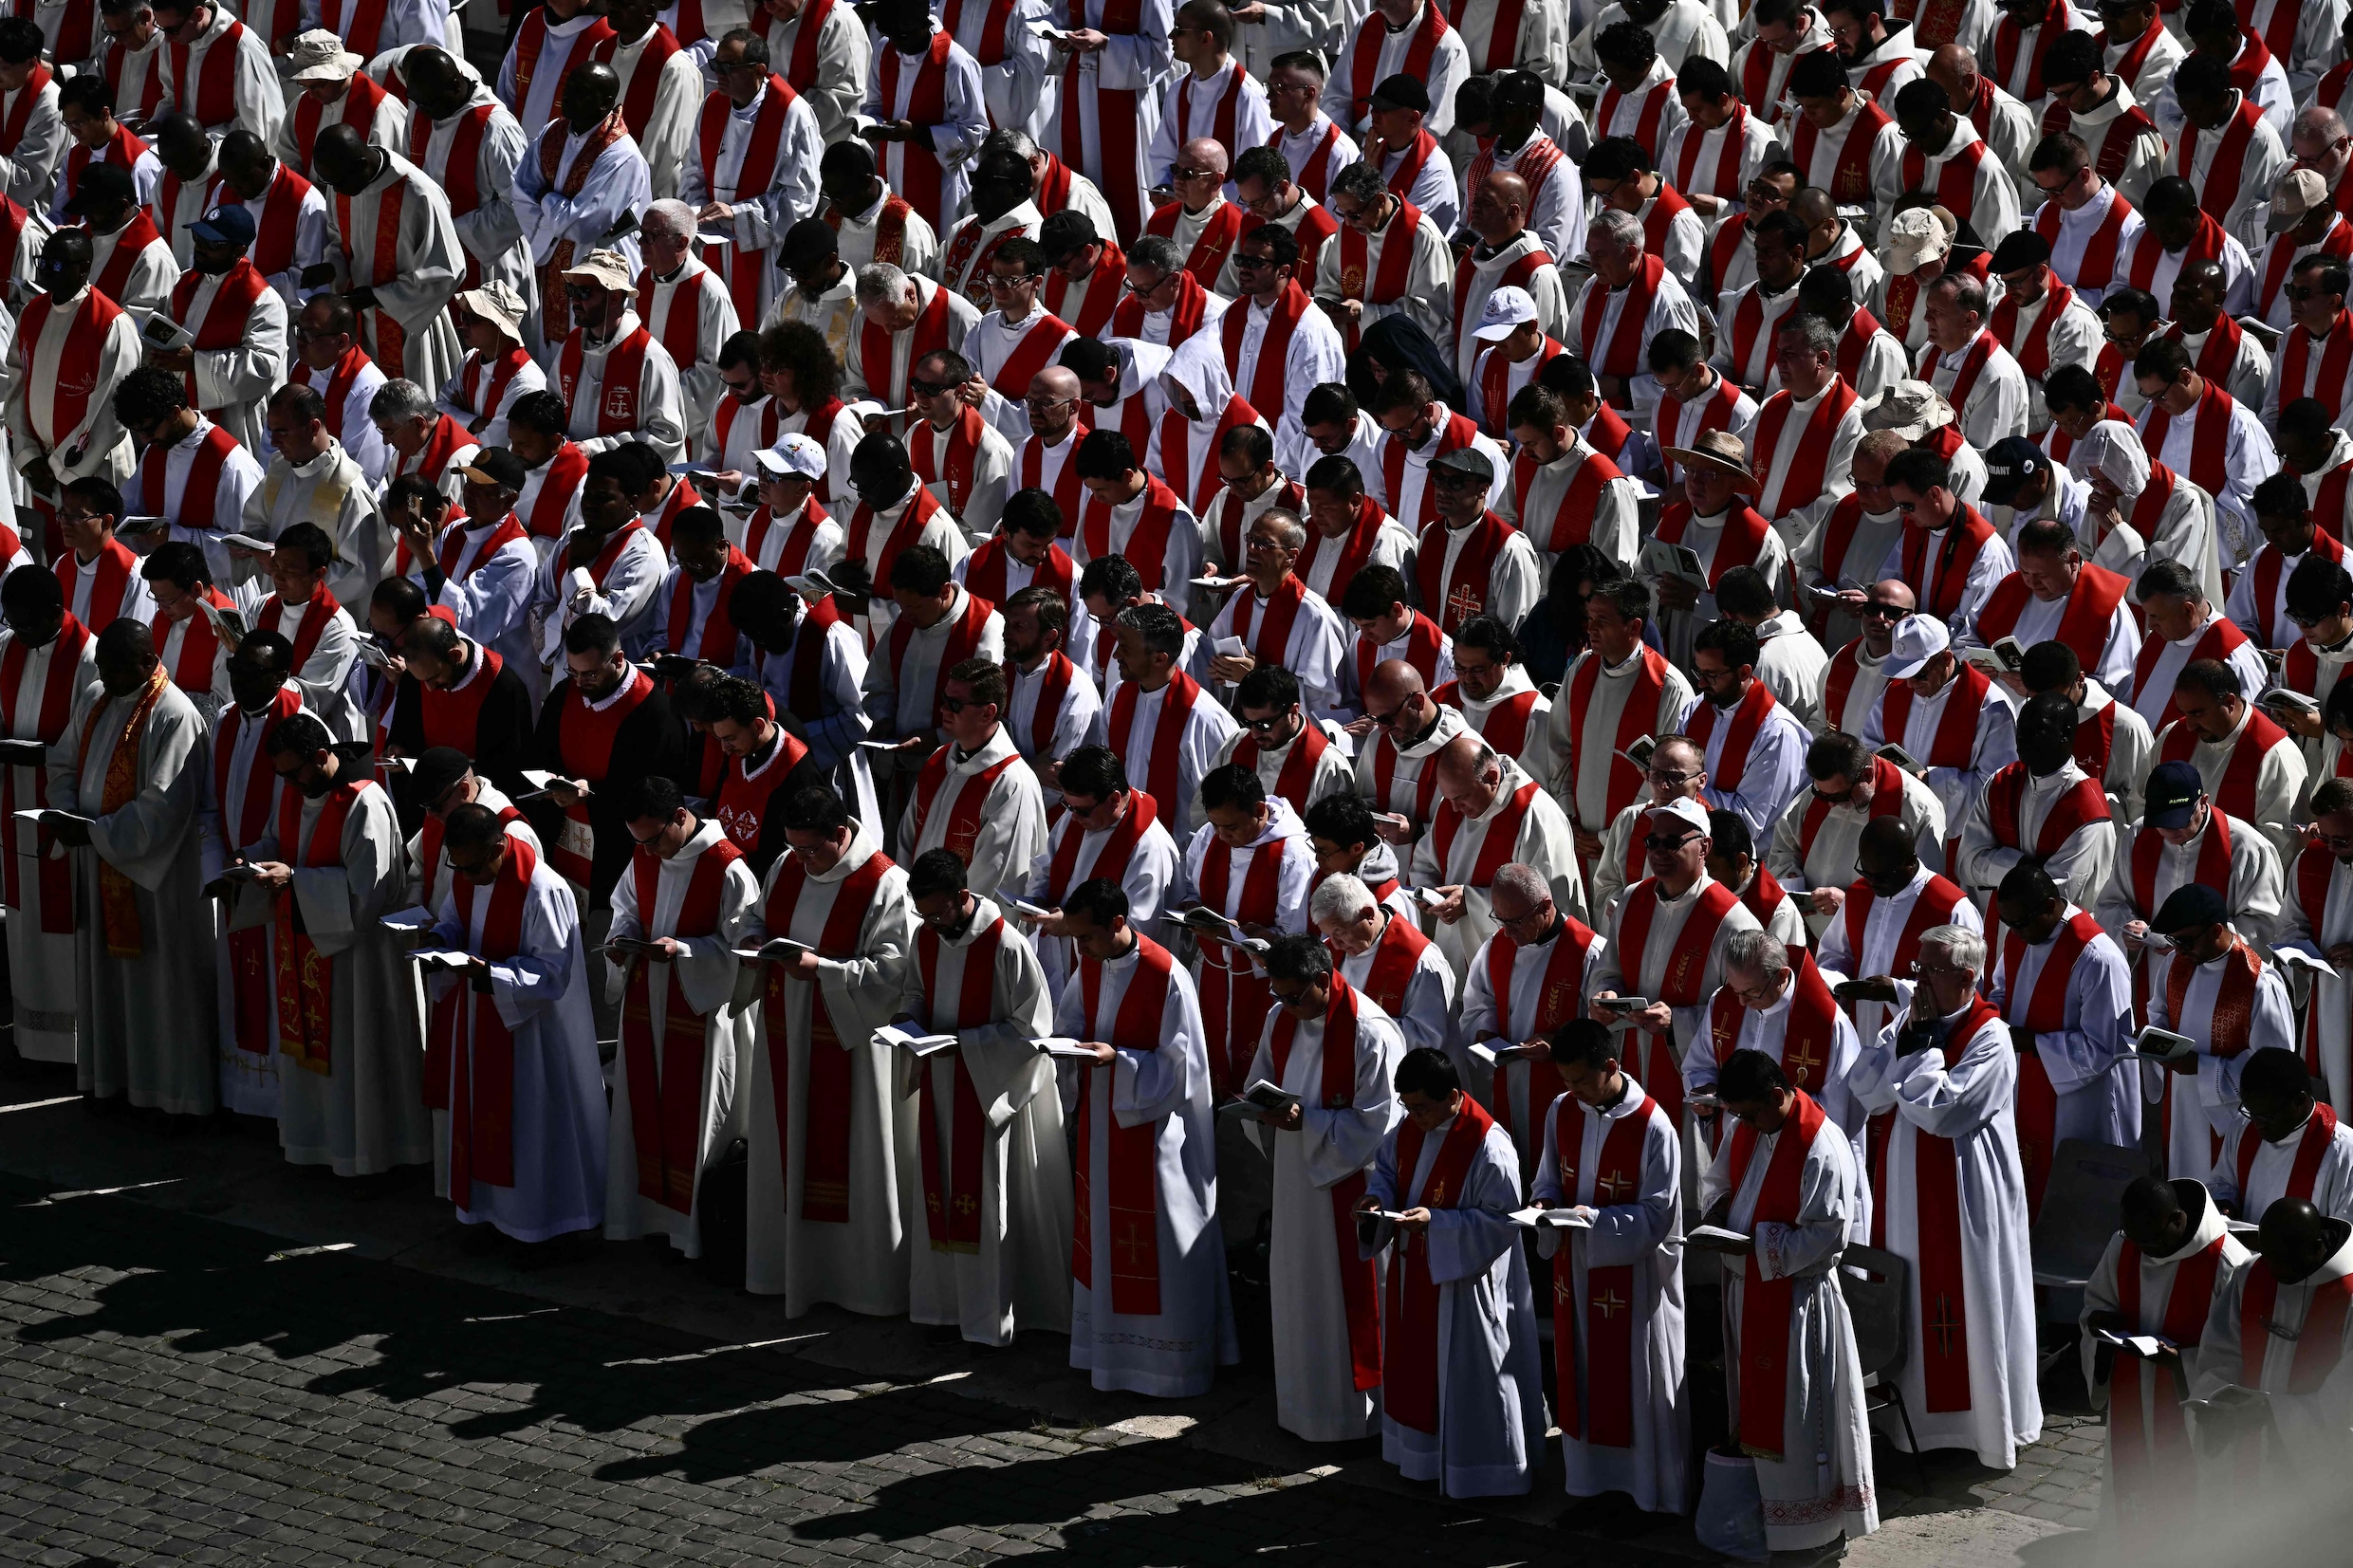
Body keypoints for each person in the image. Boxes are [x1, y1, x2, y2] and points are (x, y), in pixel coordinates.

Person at [1848, 922, 2043, 1468]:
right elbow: (1867, 1089)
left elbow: (1943, 1113)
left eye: (1930, 970)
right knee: (1911, 1294)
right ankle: (1913, 1424)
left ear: (1966, 977)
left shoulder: (1991, 1037)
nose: (1918, 981)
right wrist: (1909, 1044)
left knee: (1972, 1299)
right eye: (1918, 968)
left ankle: (1980, 1428)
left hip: (1965, 1194)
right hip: (1905, 1190)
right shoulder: (1912, 1020)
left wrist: (1920, 1051)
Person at [1054, 876, 1238, 1396]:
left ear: (1118, 922)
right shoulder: (1093, 962)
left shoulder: (1167, 976)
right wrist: (1063, 1047)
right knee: (1103, 1232)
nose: (1080, 948)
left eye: (1086, 936)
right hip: (1102, 1125)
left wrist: (1121, 1060)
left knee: (1161, 1241)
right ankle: (1108, 1357)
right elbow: (1071, 1019)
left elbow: (1183, 1069)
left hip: (1155, 1133)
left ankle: (1169, 1367)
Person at [1695, 1049, 1879, 1555]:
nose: (1742, 1125)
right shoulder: (1748, 1125)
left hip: (1798, 1305)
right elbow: (1719, 1182)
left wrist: (1753, 1246)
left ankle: (1812, 1533)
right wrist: (1718, 1214)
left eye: (1749, 1114)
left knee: (1799, 1425)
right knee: (1755, 1413)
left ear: (1777, 1095)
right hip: (1749, 1293)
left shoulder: (1821, 1144)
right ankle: (1761, 1522)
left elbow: (1827, 1235)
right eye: (1737, 1115)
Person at [232, 710, 428, 1177]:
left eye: (293, 773)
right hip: (303, 942)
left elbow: (367, 897)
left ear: (321, 756)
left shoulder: (365, 803)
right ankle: (315, 1146)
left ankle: (369, 1158)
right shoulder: (296, 790)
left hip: (358, 963)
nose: (288, 783)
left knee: (358, 1059)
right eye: (281, 775)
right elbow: (277, 842)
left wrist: (295, 880)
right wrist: (251, 861)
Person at [742, 784, 915, 1312]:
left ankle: (860, 1285)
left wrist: (823, 969)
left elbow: (896, 973)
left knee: (852, 1154)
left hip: (848, 1043)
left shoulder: (885, 883)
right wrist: (751, 940)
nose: (801, 860)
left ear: (841, 833)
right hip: (784, 1030)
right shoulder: (788, 865)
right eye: (793, 848)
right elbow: (756, 916)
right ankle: (785, 1269)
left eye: (811, 850)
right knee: (785, 1143)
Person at [892, 847, 1068, 1347]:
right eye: (923, 914)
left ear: (962, 896)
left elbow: (1033, 1030)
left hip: (990, 1095)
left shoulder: (1006, 945)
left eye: (937, 912)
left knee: (988, 1202)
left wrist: (963, 1044)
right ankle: (941, 1309)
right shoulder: (927, 937)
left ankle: (989, 1322)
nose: (930, 923)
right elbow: (915, 992)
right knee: (938, 1194)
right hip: (942, 1088)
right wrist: (907, 1022)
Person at [1359, 1044, 1545, 1496]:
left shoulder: (1488, 1145)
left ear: (1454, 1097)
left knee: (1470, 1377)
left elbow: (1503, 1221)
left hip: (1465, 1285)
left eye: (1422, 1107)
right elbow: (1387, 1170)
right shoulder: (1411, 1127)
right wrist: (1377, 1199)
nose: (1414, 1116)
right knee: (1415, 1369)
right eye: (1408, 1106)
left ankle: (1485, 1473)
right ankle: (1418, 1460)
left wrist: (1437, 1223)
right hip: (1414, 1275)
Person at [1242, 932, 1403, 1443]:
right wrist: (1262, 1108)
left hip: (1350, 1186)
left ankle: (1361, 1421)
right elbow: (1259, 1081)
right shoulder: (1280, 1017)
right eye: (1277, 994)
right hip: (1294, 1182)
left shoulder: (1369, 1031)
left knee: (1348, 1299)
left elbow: (1381, 1122)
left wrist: (1306, 1121)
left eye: (1293, 996)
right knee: (1299, 1290)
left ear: (1323, 978)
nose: (1285, 1006)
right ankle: (1304, 1411)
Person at [46, 619, 213, 1115]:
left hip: (153, 881)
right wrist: (66, 812)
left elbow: (163, 807)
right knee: (108, 987)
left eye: (116, 669)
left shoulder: (175, 714)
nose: (106, 677)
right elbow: (63, 764)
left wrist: (95, 833)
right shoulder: (98, 696)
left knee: (162, 990)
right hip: (99, 862)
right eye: (102, 668)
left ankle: (176, 1100)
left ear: (148, 662)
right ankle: (113, 1084)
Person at [1531, 1018, 1687, 1521]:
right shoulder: (1562, 1109)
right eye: (1565, 1080)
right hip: (1575, 1271)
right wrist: (1544, 1203)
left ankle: (1641, 1498)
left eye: (1580, 1080)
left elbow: (1659, 1214)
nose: (1572, 1090)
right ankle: (1589, 1486)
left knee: (1633, 1385)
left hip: (1632, 1280)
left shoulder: (1653, 1126)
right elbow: (1548, 1177)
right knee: (1581, 1374)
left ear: (1611, 1066)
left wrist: (1595, 1220)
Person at [598, 774, 760, 1258]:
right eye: (639, 842)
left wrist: (685, 950)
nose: (648, 852)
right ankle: (644, 1218)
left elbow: (745, 950)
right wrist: (621, 939)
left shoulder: (728, 867)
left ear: (681, 817)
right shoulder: (644, 855)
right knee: (643, 1106)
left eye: (654, 840)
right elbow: (625, 908)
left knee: (700, 1114)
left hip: (703, 1012)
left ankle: (695, 1234)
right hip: (647, 1003)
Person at [2078, 1174, 2249, 1546]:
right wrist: (2099, 1322)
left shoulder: (2228, 1262)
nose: (2144, 1251)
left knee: (2188, 1498)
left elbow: (2239, 1354)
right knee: (2133, 1491)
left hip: (2187, 1401)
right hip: (2132, 1393)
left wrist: (2181, 1363)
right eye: (2135, 1241)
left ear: (2176, 1219)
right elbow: (2096, 1302)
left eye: (2151, 1241)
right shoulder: (2127, 1243)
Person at [1988, 862, 2139, 1214]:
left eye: (2021, 923)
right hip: (2027, 1083)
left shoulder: (2097, 957)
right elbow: (2001, 987)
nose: (2015, 933)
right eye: (2008, 924)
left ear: (2049, 906)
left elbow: (2104, 1049)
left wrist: (2033, 1044)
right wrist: (1992, 1017)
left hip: (2082, 1102)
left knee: (2078, 1208)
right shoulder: (2022, 933)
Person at [0, 569, 97, 1068]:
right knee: (23, 923)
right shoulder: (7, 646)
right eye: (12, 622)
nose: (19, 633)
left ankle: (76, 1047)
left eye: (27, 624)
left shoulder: (89, 658)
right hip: (13, 809)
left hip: (64, 810)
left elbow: (99, 740)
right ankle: (31, 1039)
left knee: (67, 927)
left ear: (56, 613)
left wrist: (39, 755)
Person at [2189, 1196, 2353, 1477]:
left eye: (2282, 1261)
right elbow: (2220, 1352)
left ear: (2316, 1248)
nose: (2272, 1271)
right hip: (2249, 1447)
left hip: (2318, 1461)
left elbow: (2346, 1394)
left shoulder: (2348, 1295)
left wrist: (2275, 1413)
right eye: (2268, 1257)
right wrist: (2217, 1400)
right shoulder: (2253, 1273)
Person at [1457, 859, 1605, 1169]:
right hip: (1508, 1086)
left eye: (1516, 921)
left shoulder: (1589, 952)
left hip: (1564, 1090)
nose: (1507, 932)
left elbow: (1606, 1030)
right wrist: (1484, 1031)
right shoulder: (1496, 947)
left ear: (1545, 906)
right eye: (1500, 919)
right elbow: (1478, 1002)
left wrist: (1559, 1044)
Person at [2145, 882, 2298, 1177]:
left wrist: (2201, 1068)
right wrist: (2157, 1040)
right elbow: (2158, 1010)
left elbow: (2276, 1068)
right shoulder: (2176, 963)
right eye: (2174, 941)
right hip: (2180, 1107)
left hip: (2232, 1118)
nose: (2179, 950)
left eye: (2185, 941)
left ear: (2216, 930)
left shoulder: (2258, 984)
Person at [1411, 731, 1585, 978]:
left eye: (1461, 798)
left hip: (1517, 959)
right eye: (1449, 798)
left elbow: (1548, 905)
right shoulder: (1453, 803)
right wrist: (1429, 893)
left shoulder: (1536, 815)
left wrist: (1470, 902)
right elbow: (1426, 861)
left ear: (1492, 778)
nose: (1454, 808)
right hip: (1453, 951)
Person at [310, 123, 463, 395]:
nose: (337, 192)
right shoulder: (342, 180)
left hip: (410, 325)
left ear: (361, 165)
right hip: (360, 320)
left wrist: (378, 296)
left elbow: (447, 270)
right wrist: (332, 267)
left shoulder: (418, 193)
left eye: (339, 184)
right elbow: (337, 238)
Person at [1955, 691, 2119, 911]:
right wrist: (2023, 866)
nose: (2022, 737)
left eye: (2036, 730)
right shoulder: (2001, 782)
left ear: (2064, 733)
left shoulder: (2088, 810)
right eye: (2020, 728)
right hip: (1998, 921)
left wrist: (1997, 866)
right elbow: (1966, 864)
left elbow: (2056, 897)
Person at [1862, 613, 2018, 840]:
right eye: (1904, 673)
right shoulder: (1896, 692)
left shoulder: (1990, 705)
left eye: (1919, 674)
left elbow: (1995, 786)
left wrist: (1931, 782)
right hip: (1895, 823)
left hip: (1952, 839)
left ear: (1946, 658)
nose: (1909, 684)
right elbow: (1869, 743)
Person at [1681, 619, 1813, 841]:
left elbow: (1747, 822)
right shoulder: (1696, 708)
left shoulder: (1777, 734)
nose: (1701, 684)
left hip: (1745, 855)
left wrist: (1682, 790)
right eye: (1699, 673)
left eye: (1711, 675)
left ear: (1744, 672)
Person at [1310, 869, 1454, 1058]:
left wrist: (1357, 1032)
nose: (1335, 944)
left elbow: (1428, 1035)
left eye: (1340, 933)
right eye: (1330, 934)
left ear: (1368, 914)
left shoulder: (1422, 961)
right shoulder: (1331, 950)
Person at [2212, 1047, 2353, 1223]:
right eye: (2251, 1113)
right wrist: (2224, 1203)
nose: (2257, 1125)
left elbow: (2345, 1229)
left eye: (2268, 1116)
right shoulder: (2243, 1127)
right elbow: (2223, 1182)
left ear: (2299, 1100)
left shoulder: (2344, 1153)